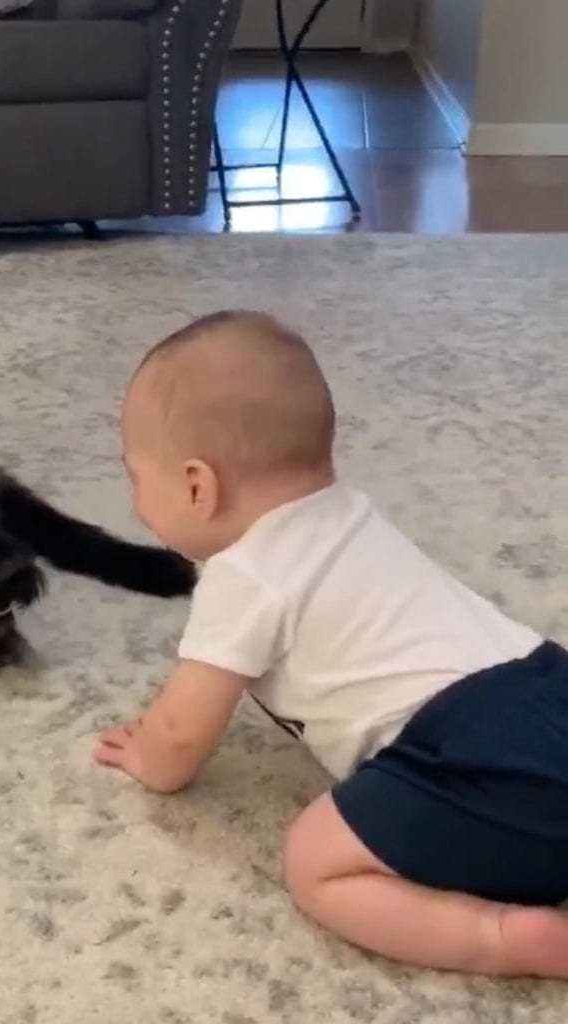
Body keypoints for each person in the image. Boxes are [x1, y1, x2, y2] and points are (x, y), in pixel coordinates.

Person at [93, 309, 568, 978]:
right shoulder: (351, 512)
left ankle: (505, 939)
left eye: (136, 478)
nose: (136, 500)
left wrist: (145, 754)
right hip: (546, 682)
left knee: (315, 860)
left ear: (197, 486)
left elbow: (177, 742)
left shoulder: (243, 575)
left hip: (469, 761)